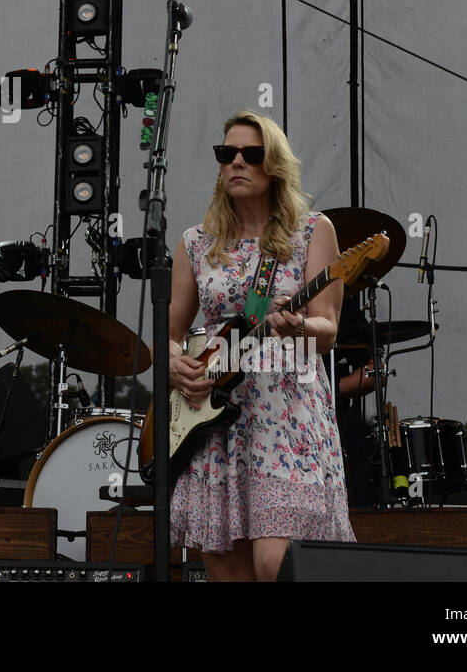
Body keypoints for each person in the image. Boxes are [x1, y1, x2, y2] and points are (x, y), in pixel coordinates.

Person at [168, 110, 354, 582]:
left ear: (274, 166)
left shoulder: (312, 231)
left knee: (277, 567)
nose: (237, 163)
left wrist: (299, 328)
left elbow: (328, 326)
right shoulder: (196, 242)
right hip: (214, 418)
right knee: (229, 574)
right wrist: (172, 361)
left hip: (286, 415)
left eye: (251, 155)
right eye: (226, 154)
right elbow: (168, 332)